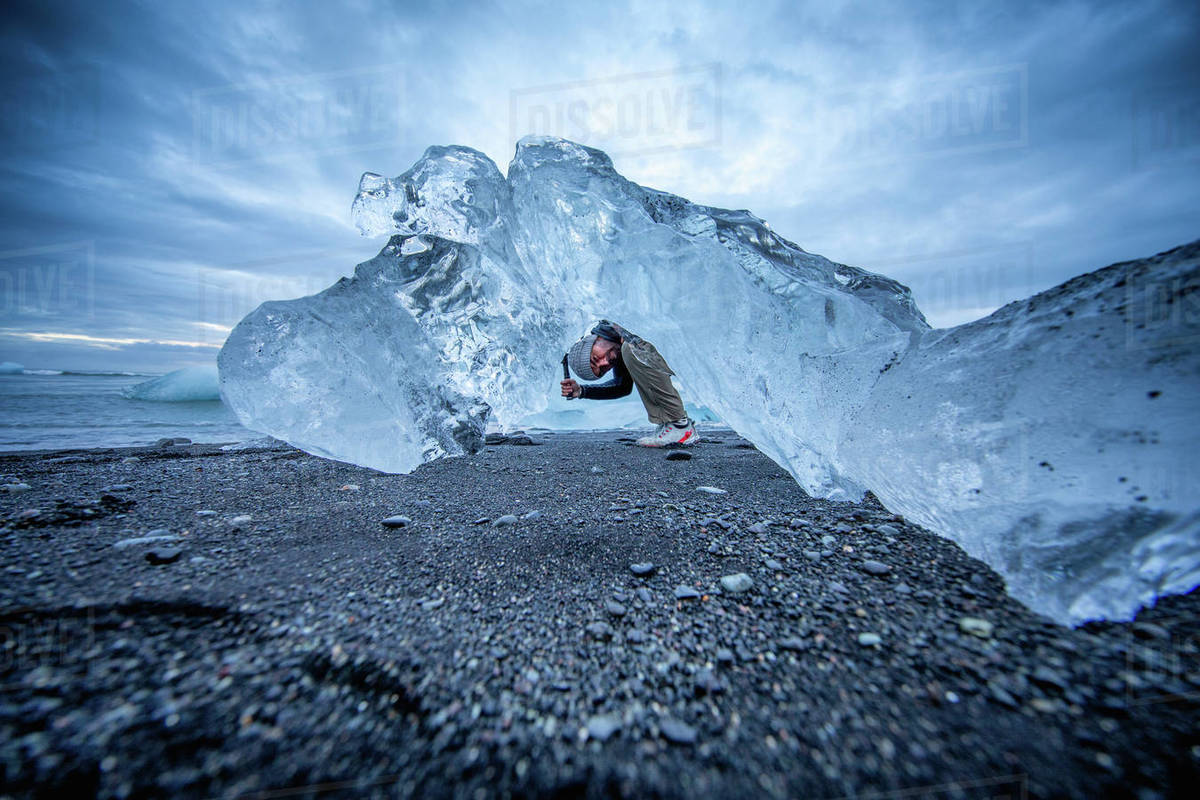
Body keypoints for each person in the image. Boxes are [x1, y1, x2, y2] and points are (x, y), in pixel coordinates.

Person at [560, 320, 697, 447]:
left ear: (594, 340)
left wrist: (626, 332)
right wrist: (582, 391)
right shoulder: (618, 347)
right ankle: (670, 424)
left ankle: (679, 425)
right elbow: (622, 386)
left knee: (631, 349)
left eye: (595, 358)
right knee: (630, 349)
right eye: (603, 370)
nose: (605, 363)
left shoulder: (617, 326)